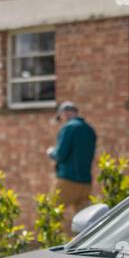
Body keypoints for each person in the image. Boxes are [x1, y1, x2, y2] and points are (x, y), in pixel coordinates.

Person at [47, 100, 97, 234]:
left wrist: (51, 152)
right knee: (83, 220)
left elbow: (61, 154)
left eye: (61, 117)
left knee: (52, 213)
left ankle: (53, 245)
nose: (62, 120)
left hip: (67, 179)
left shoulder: (69, 128)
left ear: (65, 113)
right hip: (85, 182)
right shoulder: (90, 129)